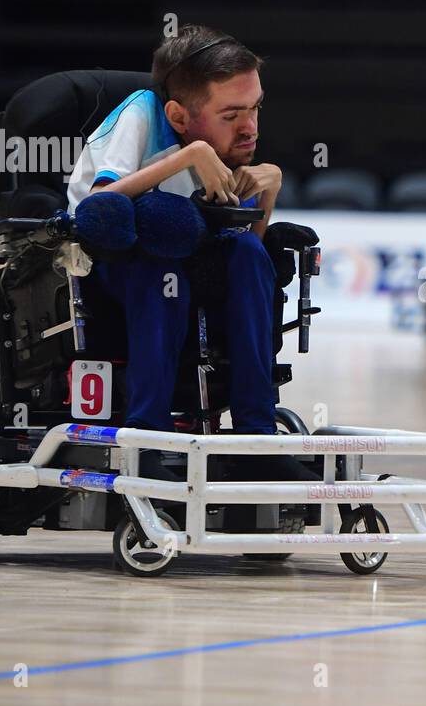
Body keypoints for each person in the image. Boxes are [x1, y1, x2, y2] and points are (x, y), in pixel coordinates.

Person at [66, 24, 311, 479]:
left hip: (187, 253)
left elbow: (249, 243)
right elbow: (102, 206)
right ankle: (149, 435)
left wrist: (267, 193)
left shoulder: (224, 138)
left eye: (256, 108)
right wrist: (185, 156)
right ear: (179, 116)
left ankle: (257, 435)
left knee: (248, 257)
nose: (250, 127)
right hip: (107, 262)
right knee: (163, 264)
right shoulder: (142, 113)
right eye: (233, 114)